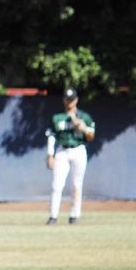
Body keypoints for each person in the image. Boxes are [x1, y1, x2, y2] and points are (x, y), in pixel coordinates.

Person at [44, 88, 96, 225]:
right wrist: (50, 154)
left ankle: (74, 215)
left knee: (76, 185)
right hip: (62, 151)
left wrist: (83, 128)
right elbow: (51, 136)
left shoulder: (84, 117)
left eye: (72, 100)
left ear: (76, 100)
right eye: (67, 99)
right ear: (64, 100)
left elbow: (91, 136)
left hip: (78, 150)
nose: (69, 102)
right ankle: (53, 216)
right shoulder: (57, 118)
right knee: (56, 185)